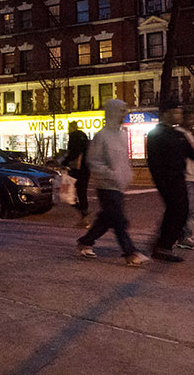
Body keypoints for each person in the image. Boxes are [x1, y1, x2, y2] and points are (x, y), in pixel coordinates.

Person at [76, 99, 150, 266]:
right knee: (118, 220)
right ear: (113, 112)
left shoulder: (123, 135)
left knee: (107, 218)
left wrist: (126, 174)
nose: (125, 114)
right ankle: (130, 252)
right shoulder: (101, 136)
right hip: (106, 185)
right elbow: (93, 161)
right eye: (122, 110)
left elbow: (124, 159)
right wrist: (110, 174)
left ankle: (86, 241)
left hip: (118, 185)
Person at [146, 100, 194, 262]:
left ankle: (162, 244)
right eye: (175, 112)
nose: (179, 115)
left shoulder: (178, 134)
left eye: (179, 112)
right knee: (177, 210)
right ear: (165, 114)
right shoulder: (157, 134)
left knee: (180, 211)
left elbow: (191, 154)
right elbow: (153, 161)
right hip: (167, 179)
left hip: (179, 177)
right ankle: (163, 246)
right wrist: (160, 179)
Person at [177, 109, 194, 250]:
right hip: (187, 177)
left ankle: (181, 236)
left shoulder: (188, 134)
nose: (192, 122)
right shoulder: (180, 135)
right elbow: (187, 154)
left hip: (193, 177)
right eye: (189, 118)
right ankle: (184, 237)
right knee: (188, 209)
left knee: (191, 209)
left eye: (193, 119)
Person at [63, 121, 91, 227]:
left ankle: (81, 210)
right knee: (82, 192)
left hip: (76, 169)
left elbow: (73, 152)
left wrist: (64, 161)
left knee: (66, 193)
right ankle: (84, 212)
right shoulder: (83, 135)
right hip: (86, 168)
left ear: (71, 127)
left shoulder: (73, 136)